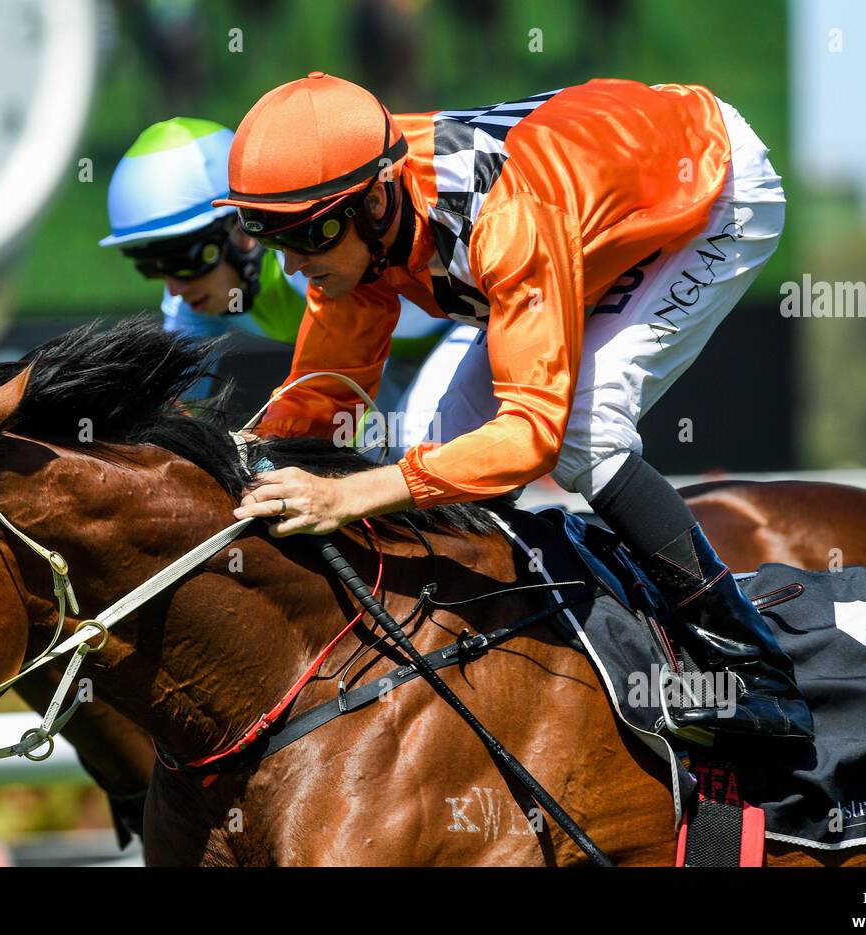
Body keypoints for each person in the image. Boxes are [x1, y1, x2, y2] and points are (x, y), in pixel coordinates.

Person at [222, 72, 813, 743]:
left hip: (708, 193)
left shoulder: (502, 220)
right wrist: (240, 471)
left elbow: (532, 437)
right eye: (277, 240)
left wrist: (347, 497)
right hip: (591, 208)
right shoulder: (355, 217)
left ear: (378, 198)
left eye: (312, 236)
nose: (297, 267)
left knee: (585, 429)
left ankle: (757, 673)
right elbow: (319, 401)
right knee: (437, 442)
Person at [101, 116, 451, 422]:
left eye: (184, 260)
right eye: (152, 266)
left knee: (411, 436)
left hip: (468, 319)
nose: (174, 287)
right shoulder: (195, 299)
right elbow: (179, 409)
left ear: (242, 229)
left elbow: (337, 384)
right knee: (385, 451)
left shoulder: (315, 262)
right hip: (404, 357)